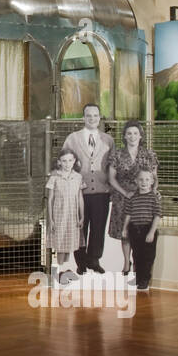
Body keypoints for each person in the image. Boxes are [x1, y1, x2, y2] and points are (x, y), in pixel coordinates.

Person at [61, 103, 114, 274]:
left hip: (101, 192)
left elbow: (112, 165)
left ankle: (94, 259)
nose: (92, 119)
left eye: (95, 115)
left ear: (100, 117)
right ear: (83, 118)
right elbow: (64, 163)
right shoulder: (72, 138)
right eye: (89, 115)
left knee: (98, 228)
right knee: (80, 227)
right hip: (79, 193)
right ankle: (81, 262)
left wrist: (111, 186)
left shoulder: (108, 140)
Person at [108, 119, 159, 279]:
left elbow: (155, 177)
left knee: (140, 230)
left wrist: (153, 192)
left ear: (140, 136)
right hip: (122, 198)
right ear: (124, 136)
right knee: (125, 232)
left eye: (135, 133)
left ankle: (138, 263)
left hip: (143, 198)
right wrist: (125, 193)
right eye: (129, 133)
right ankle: (126, 263)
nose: (132, 136)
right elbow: (111, 179)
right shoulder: (117, 154)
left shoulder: (149, 154)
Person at [45, 148, 83, 282]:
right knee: (60, 245)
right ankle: (58, 273)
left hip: (72, 216)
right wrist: (51, 219)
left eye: (70, 160)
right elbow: (50, 200)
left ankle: (65, 271)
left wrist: (81, 216)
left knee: (69, 244)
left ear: (74, 161)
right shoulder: (54, 177)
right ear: (59, 162)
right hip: (59, 215)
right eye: (64, 161)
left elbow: (80, 197)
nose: (67, 163)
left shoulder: (78, 177)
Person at [121, 169, 162, 292]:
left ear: (152, 181)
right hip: (135, 229)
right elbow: (128, 214)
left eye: (147, 179)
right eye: (141, 179)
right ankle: (138, 278)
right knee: (137, 255)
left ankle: (145, 280)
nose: (144, 182)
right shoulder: (132, 197)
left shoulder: (154, 197)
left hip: (147, 229)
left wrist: (151, 232)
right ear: (136, 181)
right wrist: (124, 229)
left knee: (148, 256)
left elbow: (157, 215)